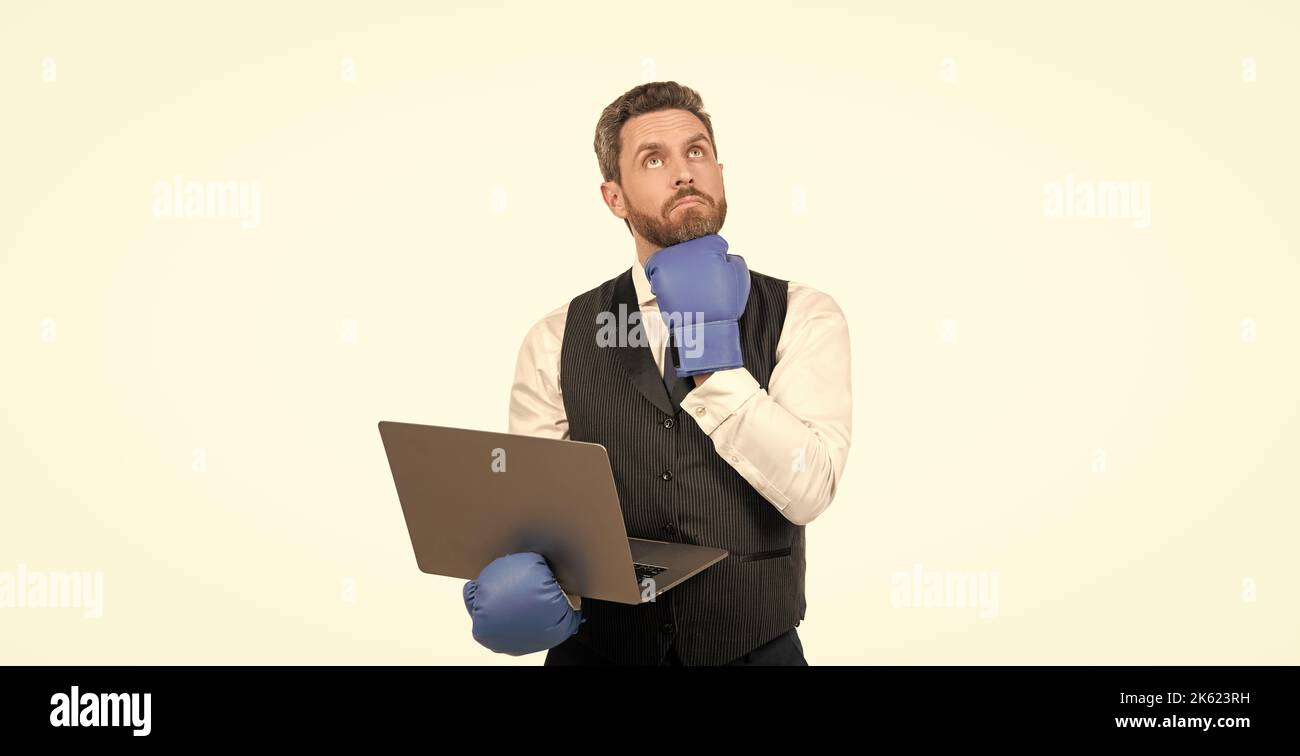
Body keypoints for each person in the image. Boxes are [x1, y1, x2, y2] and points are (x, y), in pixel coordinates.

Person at [463, 81, 852, 665]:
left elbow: (810, 489)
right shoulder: (555, 337)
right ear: (614, 197)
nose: (683, 173)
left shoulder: (803, 313)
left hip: (755, 648)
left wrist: (713, 361)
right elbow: (540, 516)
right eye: (654, 159)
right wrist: (532, 584)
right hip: (601, 652)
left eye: (696, 152)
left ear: (720, 171)